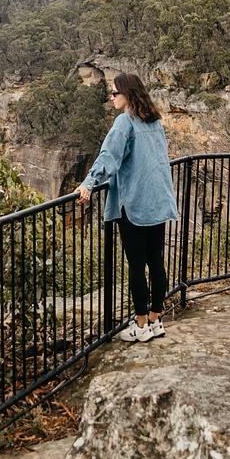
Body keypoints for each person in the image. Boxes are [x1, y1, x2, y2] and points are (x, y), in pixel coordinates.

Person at [77, 72, 178, 343]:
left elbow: (109, 157)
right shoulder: (154, 120)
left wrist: (89, 182)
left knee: (136, 266)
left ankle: (141, 325)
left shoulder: (125, 121)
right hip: (156, 200)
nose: (111, 98)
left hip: (134, 203)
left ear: (128, 94)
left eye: (115, 93)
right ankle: (156, 320)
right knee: (155, 261)